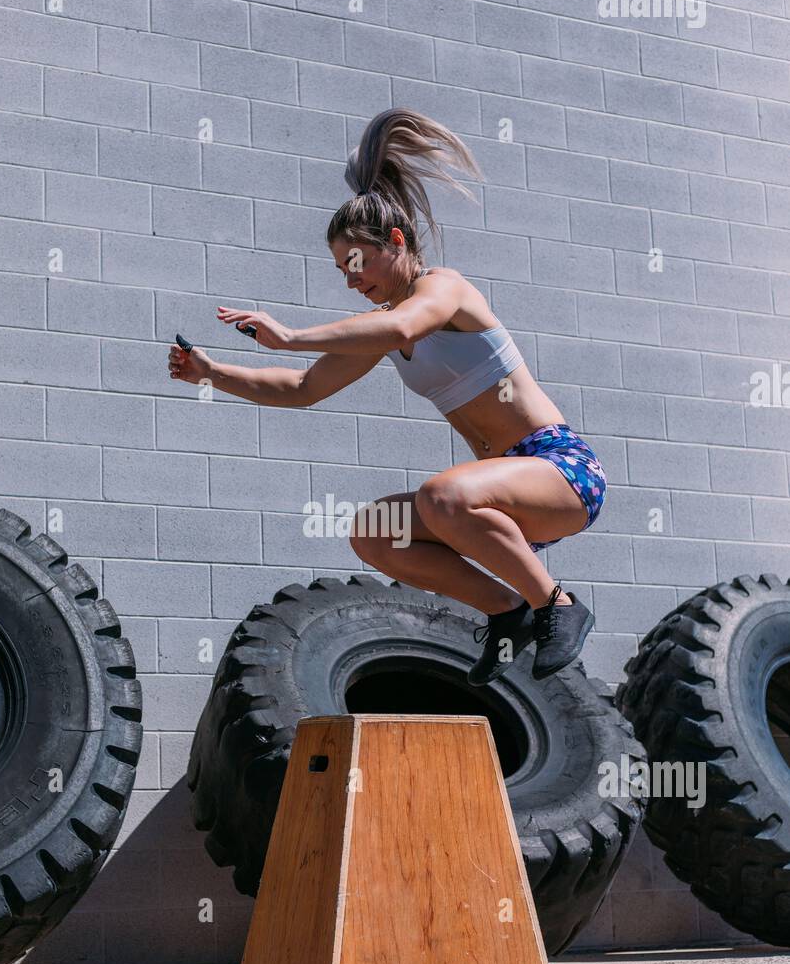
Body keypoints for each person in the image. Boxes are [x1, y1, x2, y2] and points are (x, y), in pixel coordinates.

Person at [168, 108, 607, 685]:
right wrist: (211, 373)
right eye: (340, 269)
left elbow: (404, 328)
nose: (351, 279)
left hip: (560, 471)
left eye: (357, 262)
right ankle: (508, 610)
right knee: (374, 531)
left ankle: (559, 606)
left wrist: (292, 335)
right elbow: (303, 389)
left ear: (396, 242)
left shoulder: (443, 289)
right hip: (501, 499)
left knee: (440, 496)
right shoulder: (381, 324)